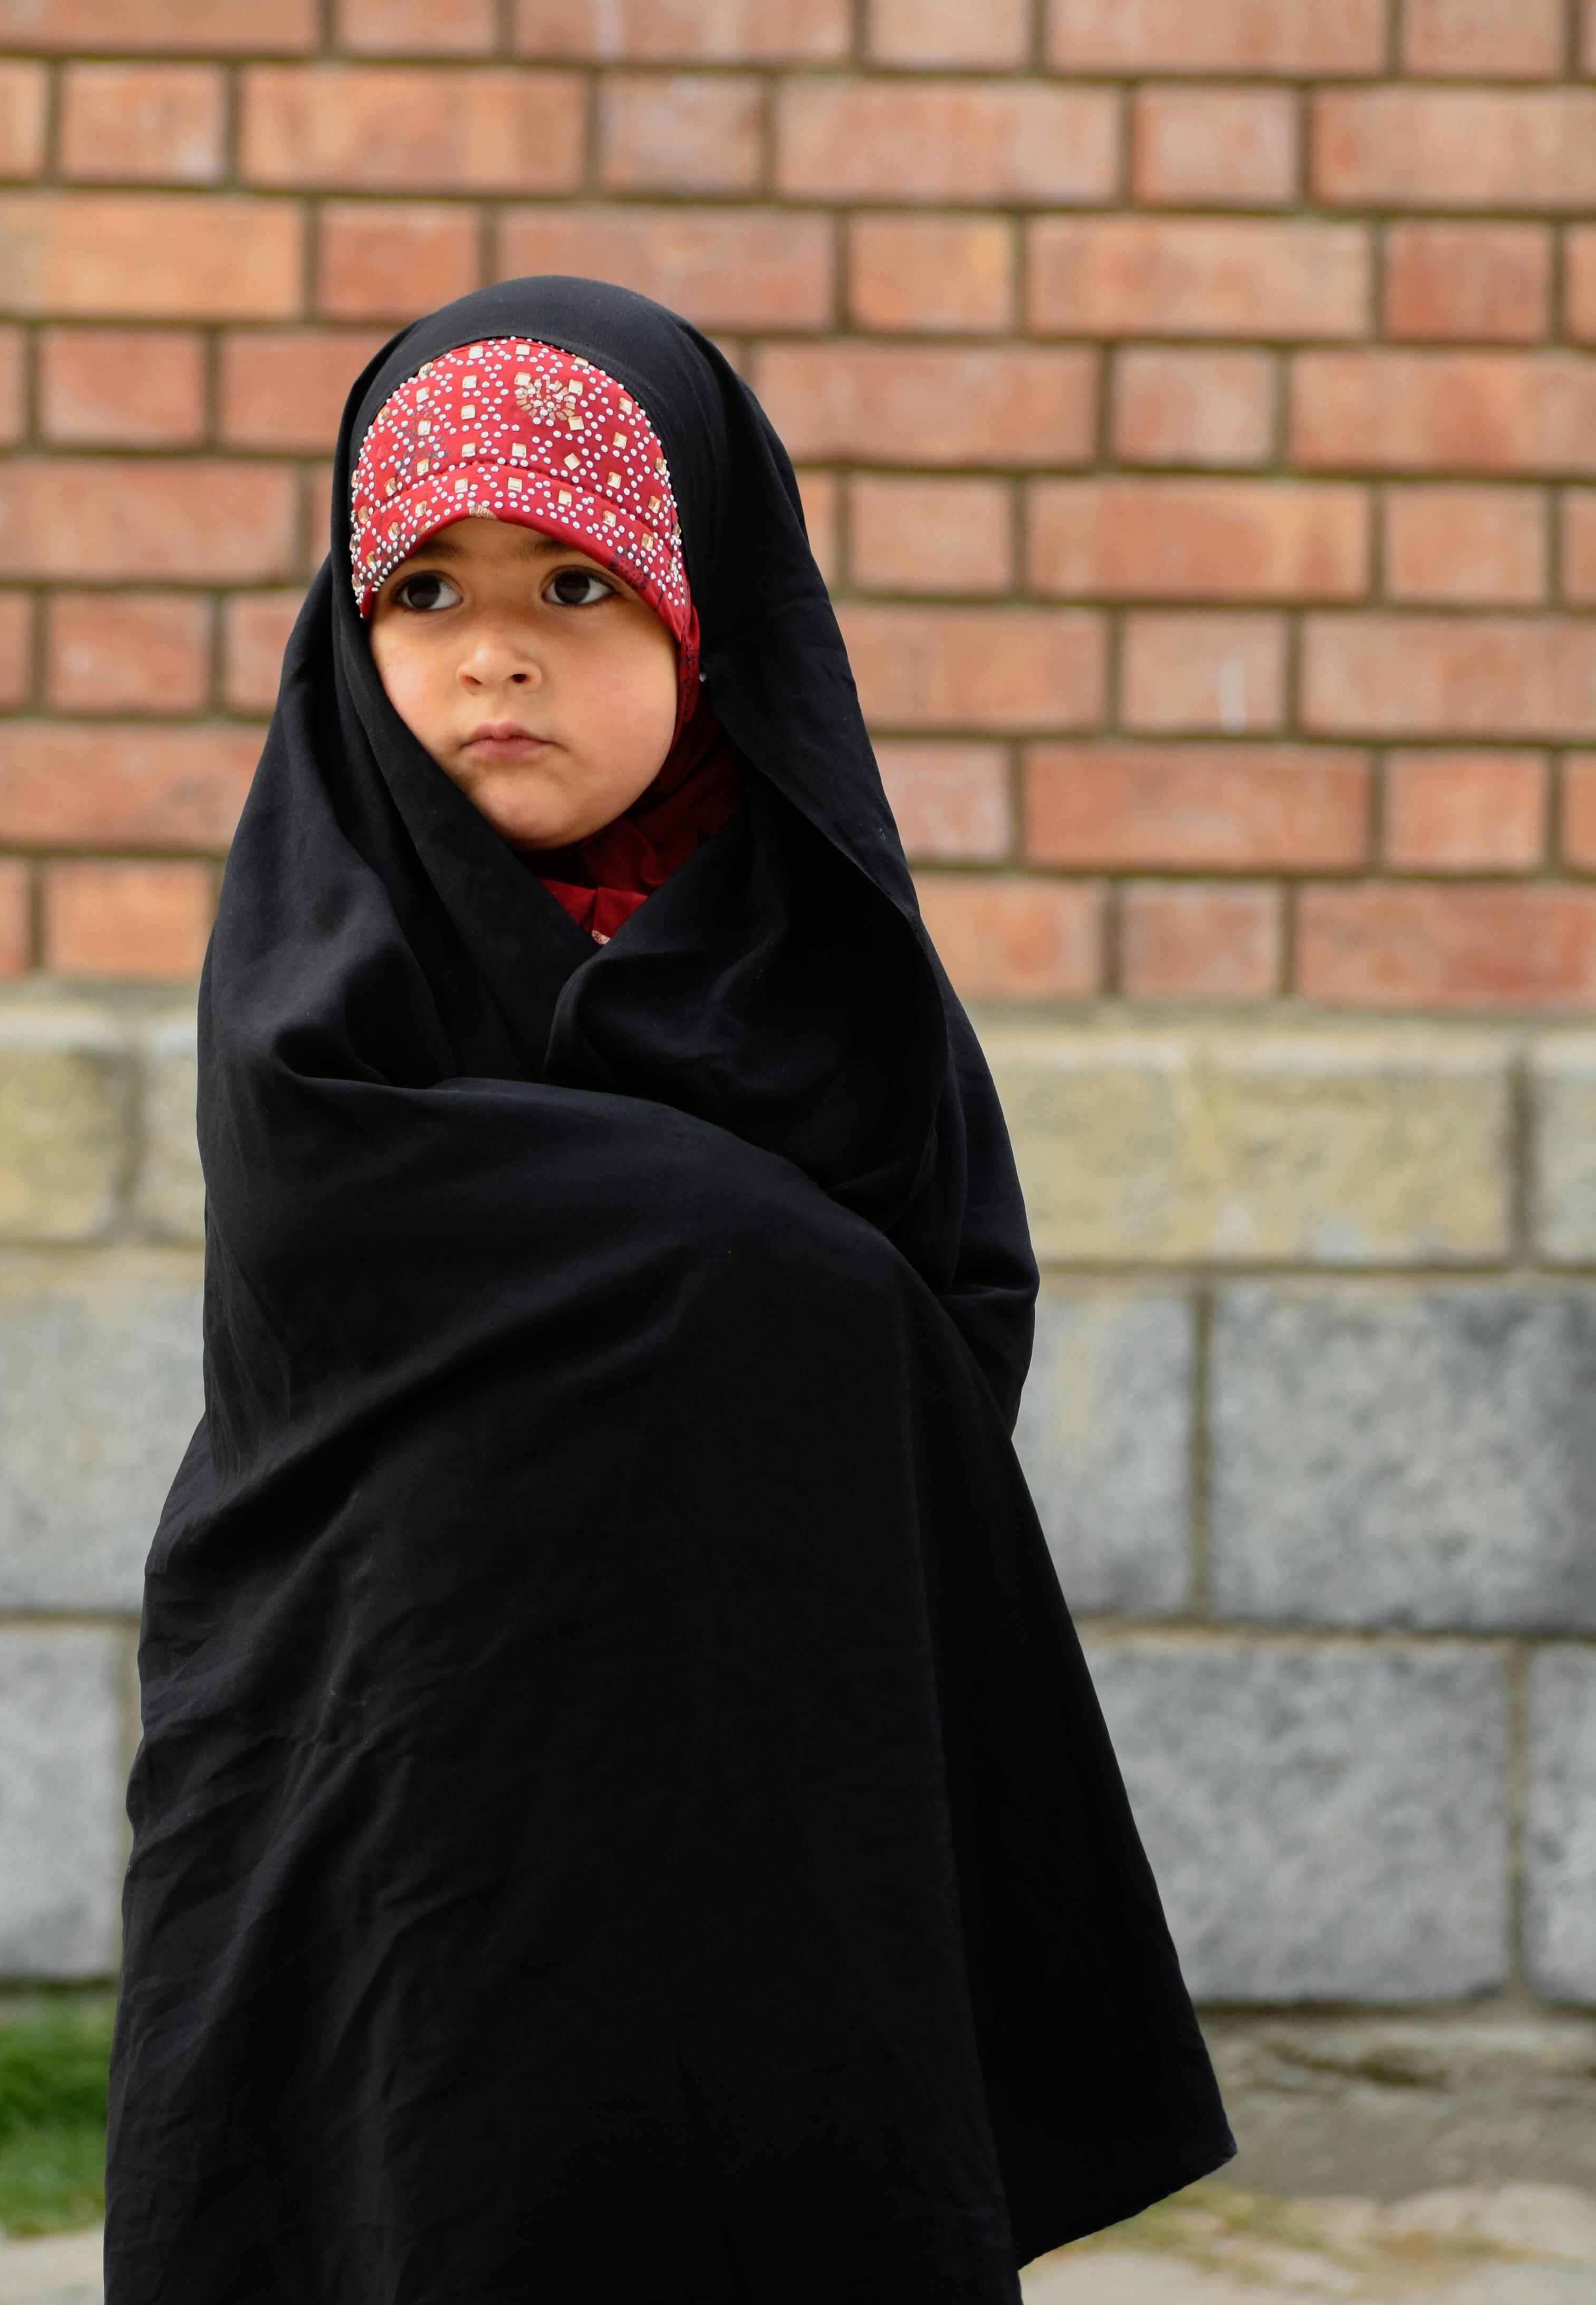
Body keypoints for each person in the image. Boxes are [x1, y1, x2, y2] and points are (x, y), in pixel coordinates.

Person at [106, 277, 1232, 2305]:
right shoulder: (330, 963)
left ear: (708, 611)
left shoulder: (823, 971)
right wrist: (753, 1259)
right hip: (393, 1767)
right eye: (425, 594)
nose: (495, 659)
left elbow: (944, 1317)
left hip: (772, 1768)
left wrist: (761, 1314)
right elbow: (360, 1226)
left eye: (578, 585)